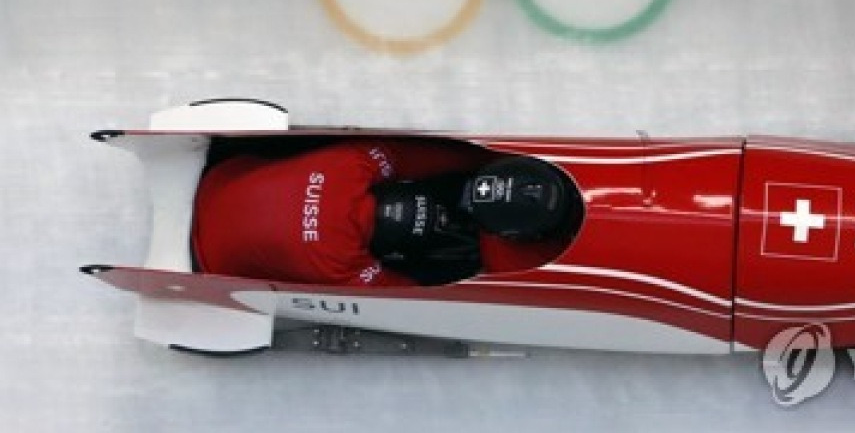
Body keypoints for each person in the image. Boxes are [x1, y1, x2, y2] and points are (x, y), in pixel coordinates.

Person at [191, 139, 580, 287]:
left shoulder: (353, 164)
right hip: (210, 258)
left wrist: (486, 171)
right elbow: (405, 294)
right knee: (447, 255)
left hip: (221, 178)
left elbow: (417, 158)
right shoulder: (339, 258)